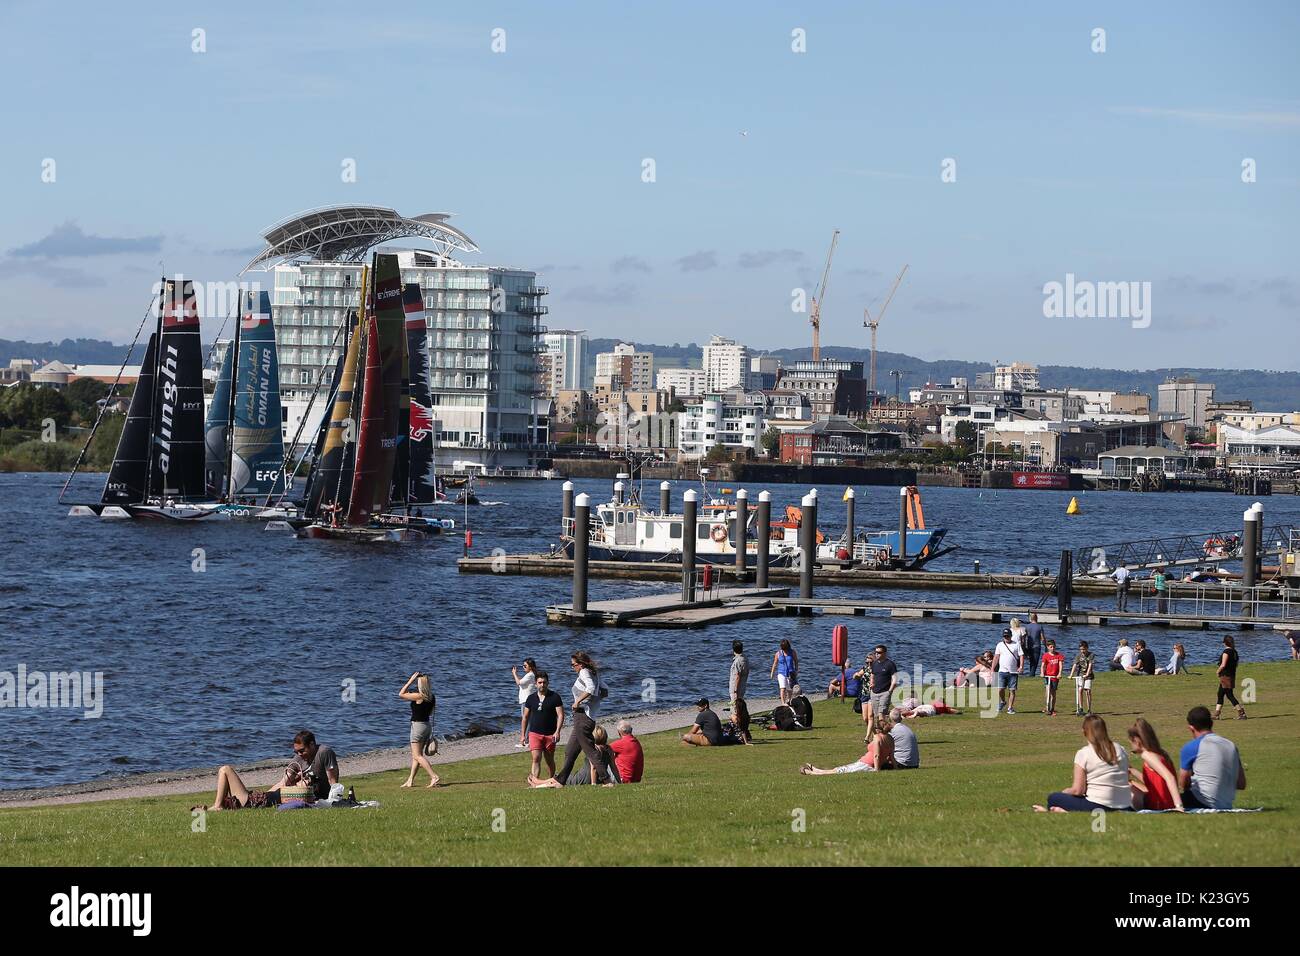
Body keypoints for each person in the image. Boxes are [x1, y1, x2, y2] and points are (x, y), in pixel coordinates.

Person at [198, 730, 339, 811]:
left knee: (225, 769)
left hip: (255, 800)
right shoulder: (297, 761)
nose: (299, 754)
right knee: (225, 770)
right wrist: (267, 793)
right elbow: (283, 782)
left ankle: (218, 806)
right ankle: (217, 805)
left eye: (302, 750)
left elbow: (333, 781)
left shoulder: (323, 752)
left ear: (312, 744)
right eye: (296, 751)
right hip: (258, 798)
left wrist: (333, 799)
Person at [1033, 715, 1133, 813]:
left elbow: (1078, 790)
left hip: (1098, 805)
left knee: (1053, 798)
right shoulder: (1120, 749)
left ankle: (1061, 811)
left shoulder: (1084, 753)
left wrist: (1064, 792)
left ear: (1084, 732)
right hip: (1124, 805)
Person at [545, 651, 607, 786]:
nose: (572, 668)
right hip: (585, 717)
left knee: (590, 751)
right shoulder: (594, 673)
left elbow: (590, 688)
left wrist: (578, 701)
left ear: (581, 664)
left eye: (574, 665)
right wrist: (594, 701)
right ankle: (560, 781)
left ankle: (606, 779)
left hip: (582, 717)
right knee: (570, 751)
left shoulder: (584, 672)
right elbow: (605, 691)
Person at [1179, 706, 1246, 809]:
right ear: (1211, 723)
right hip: (1226, 804)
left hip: (1201, 801)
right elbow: (1241, 783)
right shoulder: (1231, 745)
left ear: (1191, 728)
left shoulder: (1192, 746)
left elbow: (1183, 783)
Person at [1126, 718, 1183, 811]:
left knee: (1126, 787)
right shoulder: (1161, 753)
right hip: (1165, 802)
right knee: (1131, 783)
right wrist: (1133, 771)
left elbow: (1169, 777)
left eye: (1131, 742)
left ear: (1137, 740)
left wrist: (1179, 807)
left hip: (1159, 805)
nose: (1131, 745)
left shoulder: (1147, 755)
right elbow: (1153, 783)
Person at [398, 672, 440, 788]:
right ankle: (410, 780)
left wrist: (410, 681)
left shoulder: (419, 696)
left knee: (417, 756)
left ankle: (434, 776)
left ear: (420, 685)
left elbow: (401, 694)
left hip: (417, 727)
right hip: (426, 726)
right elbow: (430, 712)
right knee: (416, 755)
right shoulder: (431, 697)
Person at [522, 670, 565, 781]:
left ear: (548, 683)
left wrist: (557, 731)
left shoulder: (555, 697)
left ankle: (552, 780)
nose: (542, 685)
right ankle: (535, 781)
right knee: (536, 758)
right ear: (536, 684)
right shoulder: (531, 698)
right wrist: (522, 735)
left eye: (544, 682)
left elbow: (560, 715)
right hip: (534, 733)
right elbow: (525, 717)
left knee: (549, 760)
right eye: (540, 682)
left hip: (550, 734)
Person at [800, 725, 895, 775]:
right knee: (839, 769)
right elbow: (891, 756)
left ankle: (811, 773)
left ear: (878, 729)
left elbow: (876, 755)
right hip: (864, 763)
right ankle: (817, 770)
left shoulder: (878, 738)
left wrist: (877, 770)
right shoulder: (890, 739)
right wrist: (896, 767)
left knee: (840, 771)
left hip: (866, 764)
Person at [865, 644, 899, 730]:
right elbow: (872, 675)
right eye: (876, 652)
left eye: (879, 652)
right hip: (874, 693)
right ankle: (883, 733)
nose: (877, 654)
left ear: (885, 653)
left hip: (885, 693)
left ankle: (884, 735)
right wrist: (871, 684)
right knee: (877, 716)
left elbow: (894, 680)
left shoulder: (890, 664)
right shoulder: (875, 663)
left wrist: (889, 692)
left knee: (881, 715)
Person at [1213, 635, 1247, 720]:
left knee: (1228, 695)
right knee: (1221, 694)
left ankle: (1241, 713)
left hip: (1225, 675)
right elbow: (1236, 664)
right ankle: (1217, 714)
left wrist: (1218, 671)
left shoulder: (1226, 651)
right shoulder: (1234, 652)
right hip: (1231, 674)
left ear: (1225, 642)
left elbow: (1223, 664)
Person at [991, 628, 1023, 715]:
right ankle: (1002, 701)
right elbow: (996, 657)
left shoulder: (1016, 644)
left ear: (1011, 636)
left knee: (1012, 690)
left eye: (1008, 636)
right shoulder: (1000, 645)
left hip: (1013, 672)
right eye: (1005, 636)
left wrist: (1021, 667)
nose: (1006, 638)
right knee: (1000, 689)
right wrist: (992, 668)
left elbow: (1021, 656)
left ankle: (1010, 708)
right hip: (1002, 671)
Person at [512, 658, 538, 749]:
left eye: (525, 666)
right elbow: (522, 683)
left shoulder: (530, 675)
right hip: (528, 700)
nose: (523, 667)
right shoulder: (531, 675)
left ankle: (526, 740)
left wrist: (514, 674)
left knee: (526, 720)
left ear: (530, 667)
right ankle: (528, 739)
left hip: (526, 700)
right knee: (528, 720)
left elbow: (518, 683)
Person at [1068, 640, 1096, 716]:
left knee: (1087, 691)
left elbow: (1090, 664)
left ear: (1087, 648)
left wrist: (1087, 674)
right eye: (1081, 649)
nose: (1082, 651)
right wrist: (1071, 674)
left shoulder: (1091, 655)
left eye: (1083, 649)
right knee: (1080, 690)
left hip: (1088, 675)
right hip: (1080, 675)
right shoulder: (1078, 656)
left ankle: (1089, 709)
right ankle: (1080, 708)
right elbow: (1074, 665)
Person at [1041, 639, 1066, 715]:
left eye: (1054, 647)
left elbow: (1060, 665)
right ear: (1048, 647)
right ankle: (1047, 707)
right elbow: (1043, 665)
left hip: (1055, 677)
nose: (1053, 648)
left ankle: (1052, 708)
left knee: (1053, 693)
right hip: (1047, 676)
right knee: (1047, 692)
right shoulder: (1045, 655)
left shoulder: (1059, 655)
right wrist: (1042, 673)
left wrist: (1059, 673)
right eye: (1051, 647)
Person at [770, 639, 798, 705]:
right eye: (783, 648)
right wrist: (772, 673)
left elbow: (796, 661)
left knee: (789, 689)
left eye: (785, 648)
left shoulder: (792, 652)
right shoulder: (778, 653)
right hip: (781, 673)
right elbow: (775, 663)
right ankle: (783, 703)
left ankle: (789, 700)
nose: (785, 650)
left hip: (790, 673)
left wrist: (796, 670)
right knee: (782, 688)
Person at [1022, 613, 1046, 677]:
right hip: (1037, 646)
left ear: (1030, 619)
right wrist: (1046, 645)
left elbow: (1024, 638)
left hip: (1029, 646)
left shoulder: (1027, 627)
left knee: (1031, 662)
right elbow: (1042, 639)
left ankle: (1031, 674)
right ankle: (1031, 675)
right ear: (1036, 618)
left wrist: (1024, 647)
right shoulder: (1039, 626)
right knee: (1035, 662)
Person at [729, 640, 750, 712]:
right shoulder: (745, 658)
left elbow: (737, 676)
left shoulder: (737, 661)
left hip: (737, 687)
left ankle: (736, 720)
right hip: (743, 686)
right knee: (739, 704)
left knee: (734, 706)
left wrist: (735, 689)